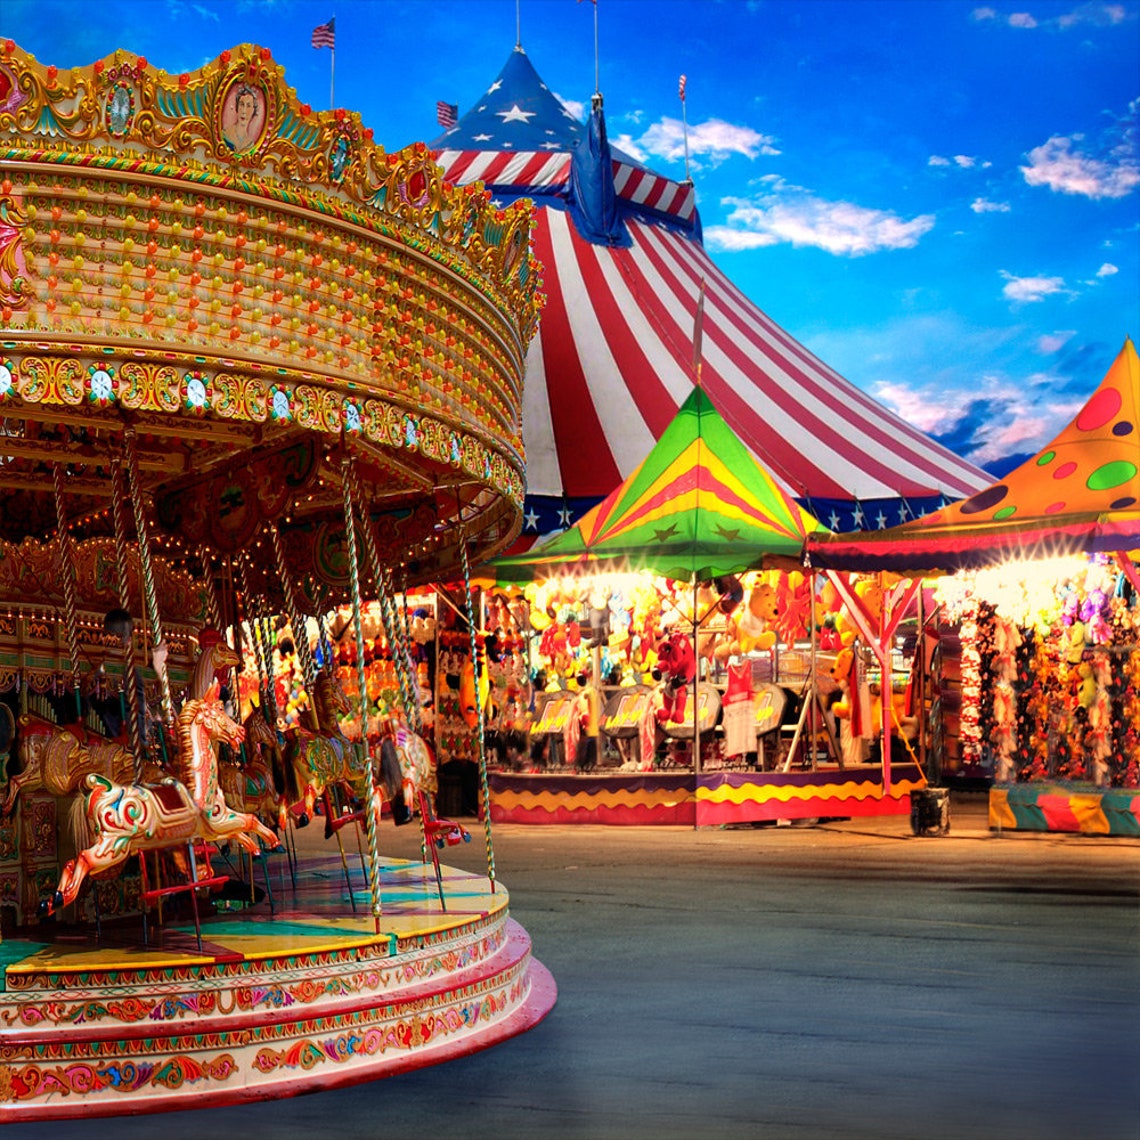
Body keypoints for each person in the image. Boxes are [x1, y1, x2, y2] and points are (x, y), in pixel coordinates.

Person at [223, 85, 261, 152]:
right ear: (237, 107)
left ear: (253, 110)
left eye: (248, 106)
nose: (244, 111)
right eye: (241, 104)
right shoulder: (225, 135)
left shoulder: (250, 146)